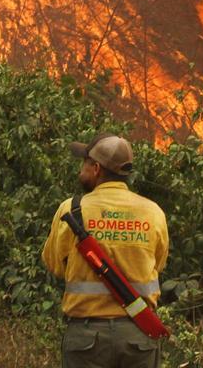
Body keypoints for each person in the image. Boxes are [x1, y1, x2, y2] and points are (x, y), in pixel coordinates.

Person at [42, 133, 170, 368]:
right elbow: (158, 266)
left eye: (84, 163)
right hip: (139, 335)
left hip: (87, 339)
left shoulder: (71, 210)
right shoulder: (153, 212)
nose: (81, 169)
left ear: (96, 168)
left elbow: (54, 265)